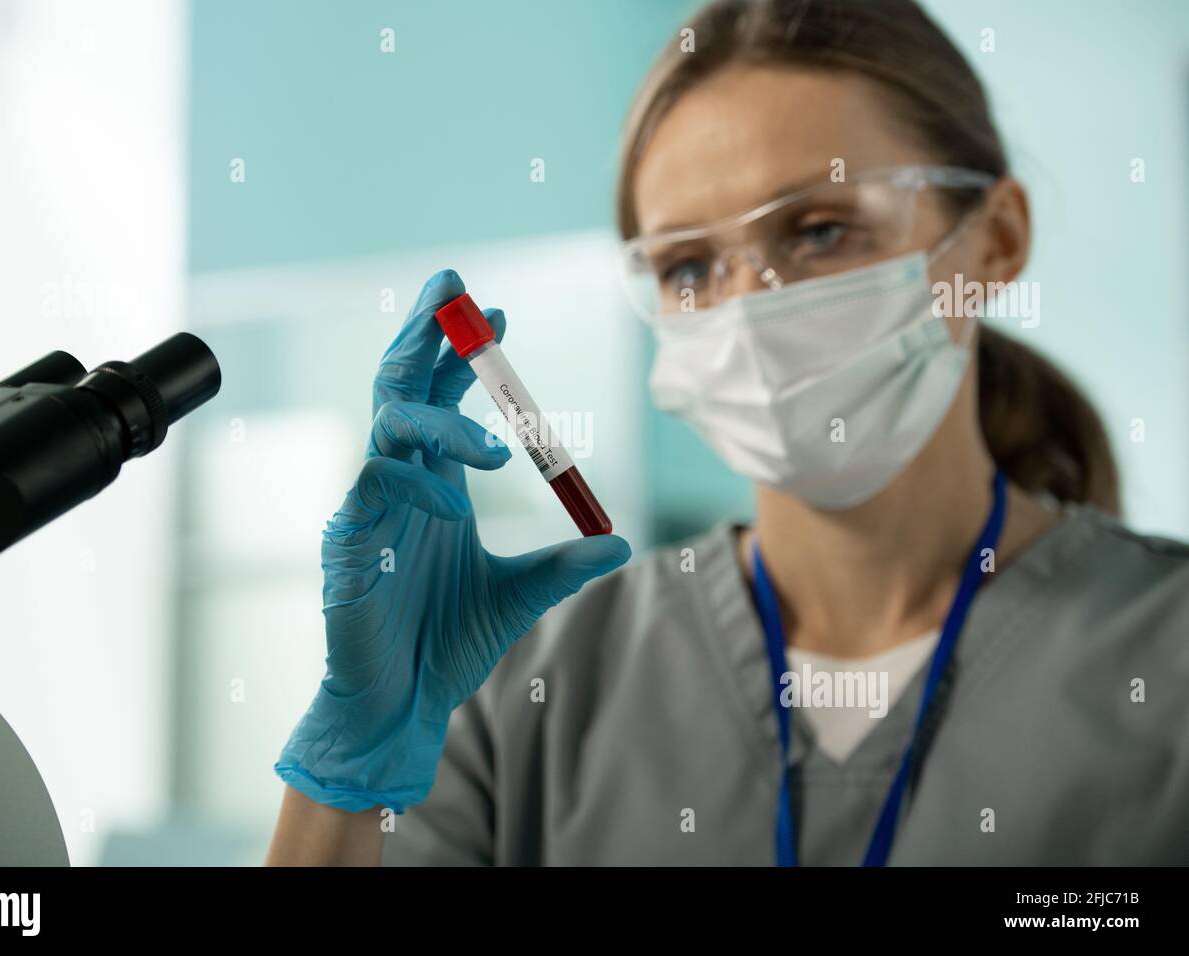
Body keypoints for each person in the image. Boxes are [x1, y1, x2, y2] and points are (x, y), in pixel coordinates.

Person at [264, 0, 1189, 866]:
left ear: (994, 241)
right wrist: (354, 761)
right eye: (689, 265)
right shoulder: (534, 688)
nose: (749, 308)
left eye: (822, 230)